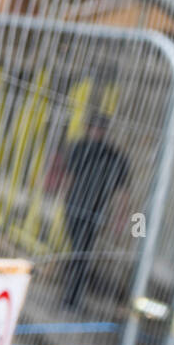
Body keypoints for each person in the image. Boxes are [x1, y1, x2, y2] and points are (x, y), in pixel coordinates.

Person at [61, 113, 129, 308]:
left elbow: (122, 190)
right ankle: (71, 295)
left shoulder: (114, 156)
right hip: (74, 207)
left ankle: (72, 297)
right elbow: (69, 177)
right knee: (78, 250)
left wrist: (120, 217)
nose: (97, 132)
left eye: (100, 129)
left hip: (95, 212)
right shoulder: (78, 148)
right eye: (94, 128)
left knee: (82, 251)